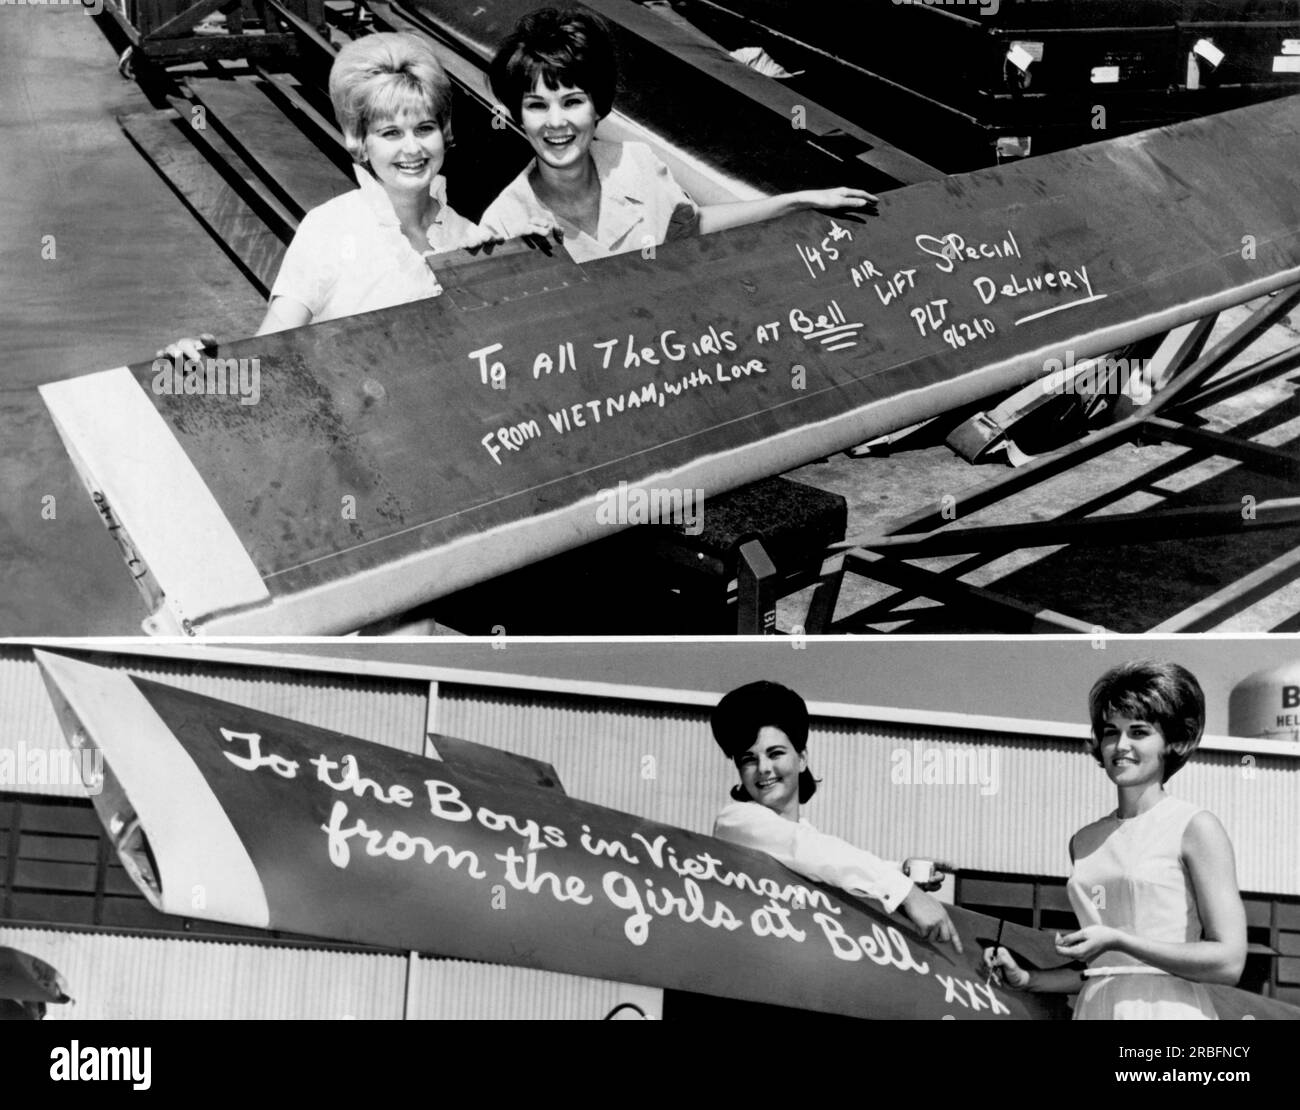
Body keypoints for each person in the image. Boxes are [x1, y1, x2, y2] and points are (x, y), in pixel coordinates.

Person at [160, 33, 547, 360]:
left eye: (424, 128)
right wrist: (206, 361)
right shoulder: (330, 227)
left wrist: (530, 267)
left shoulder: (466, 236)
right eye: (390, 133)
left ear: (444, 134)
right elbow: (271, 349)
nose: (412, 149)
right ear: (361, 143)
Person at [480, 7, 877, 263]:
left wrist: (795, 202)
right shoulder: (503, 222)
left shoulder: (637, 163)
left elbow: (693, 224)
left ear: (598, 106)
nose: (556, 122)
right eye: (536, 105)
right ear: (518, 114)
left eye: (572, 102)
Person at [985, 661, 1247, 1019]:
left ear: (1173, 741)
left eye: (1139, 732)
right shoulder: (1084, 841)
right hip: (1095, 1009)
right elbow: (1105, 968)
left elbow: (1229, 961)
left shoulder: (1195, 827)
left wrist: (1119, 938)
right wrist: (1029, 978)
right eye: (1111, 732)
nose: (1120, 745)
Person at [710, 680, 963, 953]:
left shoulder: (815, 848)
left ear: (802, 758)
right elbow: (805, 850)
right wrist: (905, 892)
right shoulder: (736, 822)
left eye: (775, 753)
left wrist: (902, 871)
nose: (763, 769)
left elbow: (827, 866)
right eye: (749, 759)